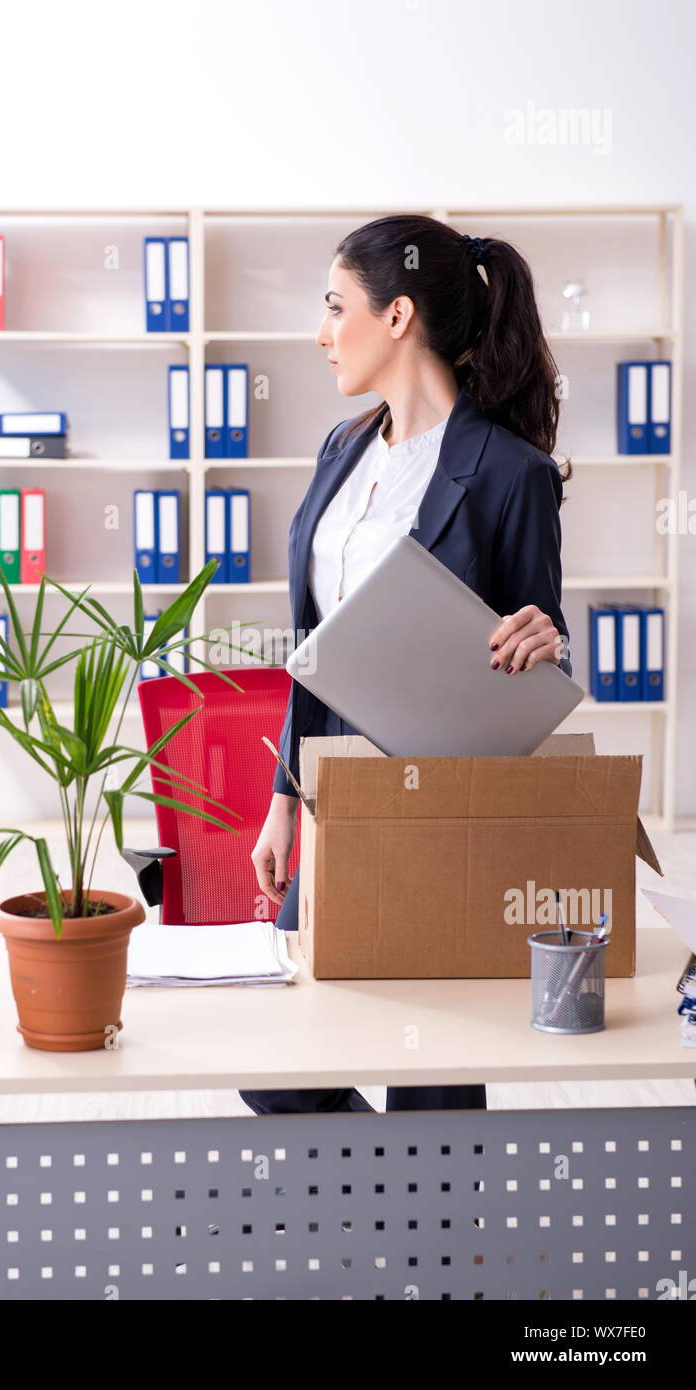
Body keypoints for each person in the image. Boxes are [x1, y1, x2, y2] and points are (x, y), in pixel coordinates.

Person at [242, 214, 573, 1117]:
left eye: (333, 306)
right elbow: (316, 652)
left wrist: (545, 639)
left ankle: (437, 1256)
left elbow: (542, 645)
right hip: (334, 803)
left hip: (443, 816)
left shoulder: (510, 475)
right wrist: (281, 801)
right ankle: (380, 1222)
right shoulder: (341, 451)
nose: (318, 333)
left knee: (431, 1075)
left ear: (395, 318)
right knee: (276, 1066)